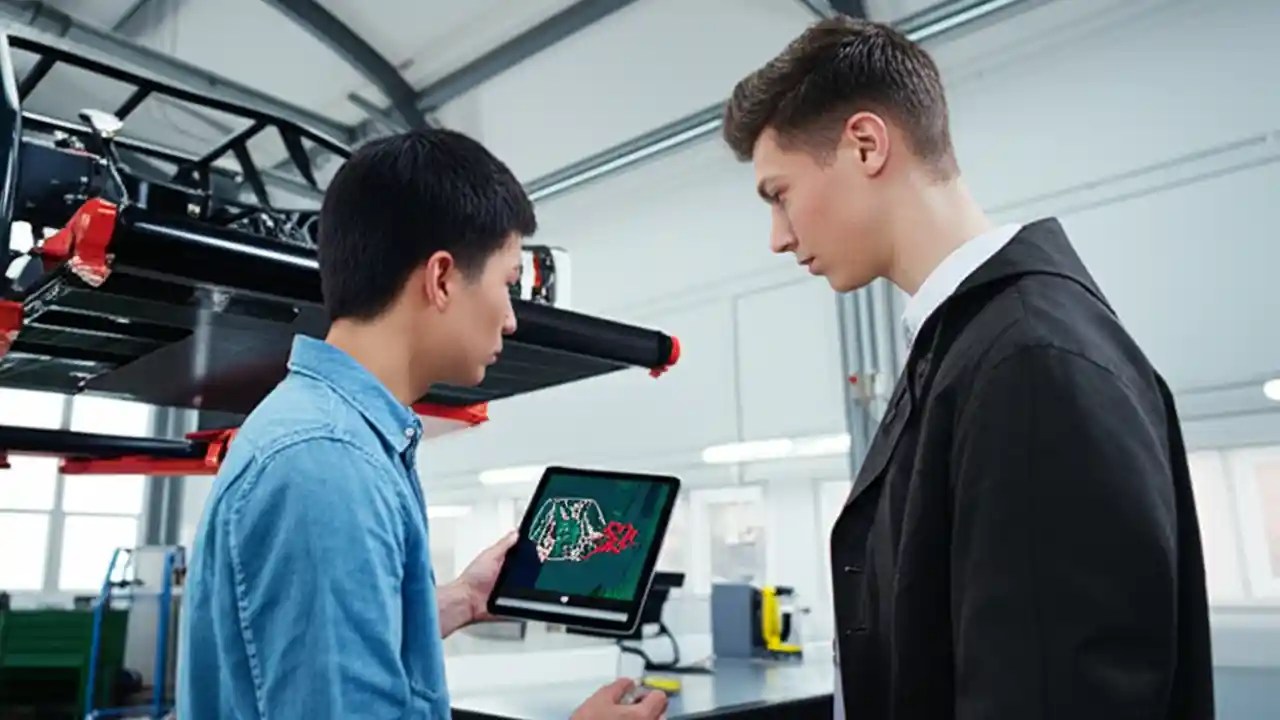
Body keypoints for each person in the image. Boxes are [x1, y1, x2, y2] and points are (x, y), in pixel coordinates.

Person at [721, 16, 1214, 719]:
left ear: (865, 145)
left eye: (779, 194)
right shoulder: (964, 347)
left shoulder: (1031, 363)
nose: (777, 237)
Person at [177, 129, 668, 720]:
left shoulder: (339, 440)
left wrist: (462, 598)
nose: (512, 320)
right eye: (507, 285)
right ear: (440, 279)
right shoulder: (328, 464)